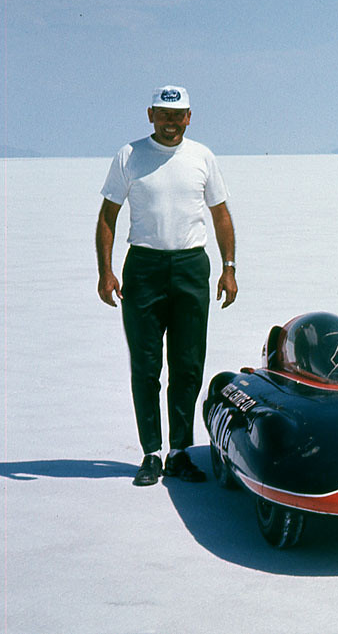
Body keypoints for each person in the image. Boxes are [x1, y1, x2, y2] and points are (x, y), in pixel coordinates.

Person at [95, 85, 238, 486]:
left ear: (189, 117)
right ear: (150, 115)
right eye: (163, 114)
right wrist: (106, 271)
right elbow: (107, 215)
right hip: (144, 268)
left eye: (177, 115)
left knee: (188, 364)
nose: (170, 122)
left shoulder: (202, 157)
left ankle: (179, 452)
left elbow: (220, 215)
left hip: (191, 267)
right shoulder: (130, 155)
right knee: (146, 365)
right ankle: (151, 453)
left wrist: (228, 267)